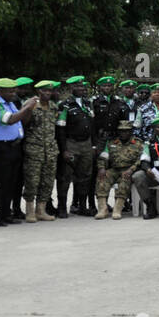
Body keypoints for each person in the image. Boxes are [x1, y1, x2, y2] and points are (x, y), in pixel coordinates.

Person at [0, 78, 34, 227]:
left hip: (14, 147)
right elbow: (10, 120)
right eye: (10, 91)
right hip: (1, 148)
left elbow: (21, 121)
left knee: (10, 182)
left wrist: (28, 110)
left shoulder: (9, 103)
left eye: (14, 90)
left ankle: (5, 213)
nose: (13, 93)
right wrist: (27, 107)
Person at [20, 80, 59, 223]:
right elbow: (23, 124)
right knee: (32, 181)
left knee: (47, 181)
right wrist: (29, 109)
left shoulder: (54, 107)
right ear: (38, 92)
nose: (47, 93)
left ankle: (41, 210)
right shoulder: (29, 105)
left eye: (49, 91)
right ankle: (30, 211)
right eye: (44, 91)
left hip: (50, 150)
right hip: (34, 149)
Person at [56, 76, 94, 217]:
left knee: (85, 176)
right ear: (71, 88)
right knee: (66, 176)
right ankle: (61, 208)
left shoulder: (87, 103)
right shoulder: (65, 105)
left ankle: (82, 207)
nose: (81, 89)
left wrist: (94, 145)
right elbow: (60, 129)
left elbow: (92, 125)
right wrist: (64, 149)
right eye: (77, 86)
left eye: (82, 86)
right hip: (71, 144)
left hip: (86, 144)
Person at [93, 121, 144, 220]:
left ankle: (117, 208)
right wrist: (101, 168)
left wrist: (131, 170)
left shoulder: (137, 143)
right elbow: (103, 157)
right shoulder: (112, 143)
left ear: (131, 132)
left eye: (126, 131)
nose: (123, 133)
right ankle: (102, 208)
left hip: (129, 170)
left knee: (124, 181)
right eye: (121, 131)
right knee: (102, 178)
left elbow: (141, 160)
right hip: (114, 169)